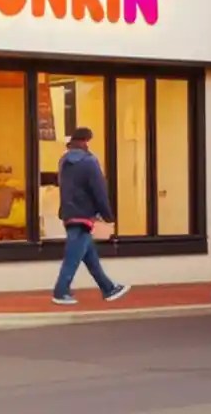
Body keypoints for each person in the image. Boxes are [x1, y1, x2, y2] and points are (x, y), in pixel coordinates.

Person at [52, 127, 131, 305]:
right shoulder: (89, 162)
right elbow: (99, 191)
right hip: (84, 215)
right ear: (86, 141)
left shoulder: (64, 161)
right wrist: (108, 215)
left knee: (89, 256)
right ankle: (60, 291)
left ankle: (108, 288)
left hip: (69, 214)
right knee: (72, 257)